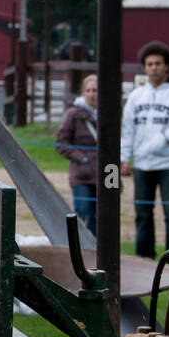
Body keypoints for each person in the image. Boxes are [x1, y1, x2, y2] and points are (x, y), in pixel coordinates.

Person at [120, 40, 169, 259]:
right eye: (149, 64)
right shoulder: (136, 96)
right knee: (142, 214)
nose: (154, 67)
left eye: (158, 63)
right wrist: (124, 158)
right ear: (144, 68)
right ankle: (144, 257)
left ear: (167, 66)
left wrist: (165, 137)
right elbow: (128, 129)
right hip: (143, 164)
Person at [55, 74, 98, 235]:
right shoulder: (73, 114)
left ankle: (97, 253)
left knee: (101, 217)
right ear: (83, 92)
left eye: (95, 90)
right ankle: (79, 248)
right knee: (83, 212)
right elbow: (61, 143)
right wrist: (83, 158)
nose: (92, 94)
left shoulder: (108, 113)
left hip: (105, 174)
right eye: (88, 90)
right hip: (82, 174)